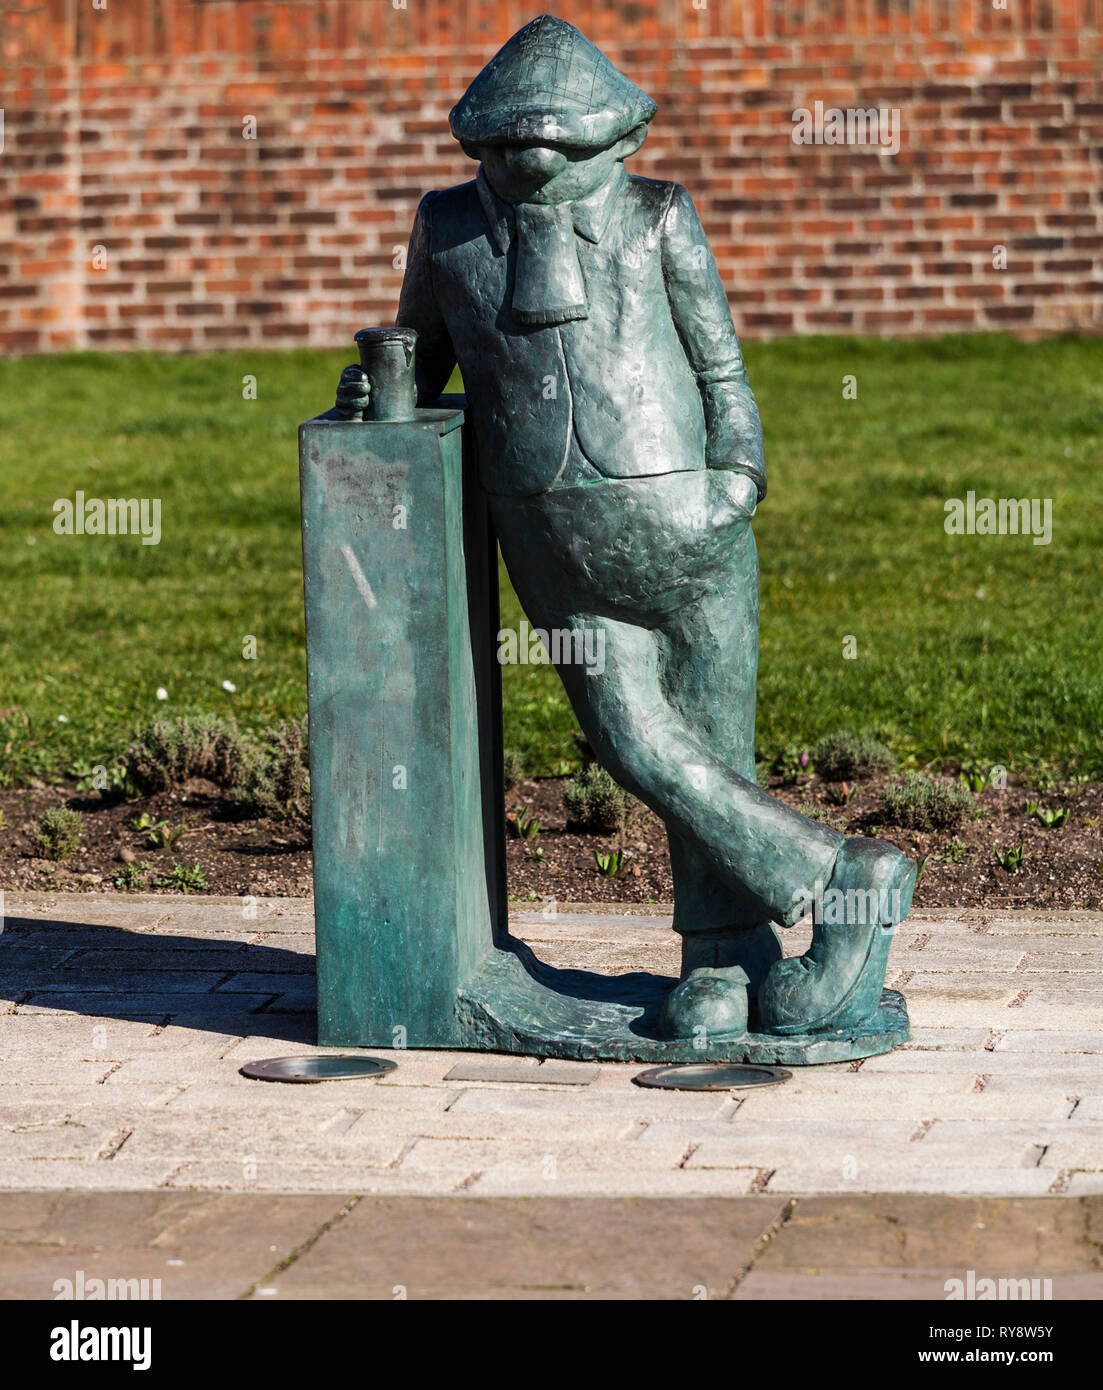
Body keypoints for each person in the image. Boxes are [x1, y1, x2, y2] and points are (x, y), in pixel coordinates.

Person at [337, 15, 915, 1041]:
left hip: (685, 518)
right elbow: (422, 365)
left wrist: (737, 475)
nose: (538, 165)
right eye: (514, 149)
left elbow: (717, 359)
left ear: (615, 140)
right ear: (478, 146)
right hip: (554, 538)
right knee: (634, 741)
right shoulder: (450, 229)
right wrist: (373, 389)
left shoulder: (655, 215)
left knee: (710, 739)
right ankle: (841, 877)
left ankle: (723, 963)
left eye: (562, 148)